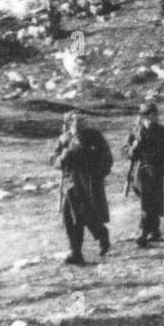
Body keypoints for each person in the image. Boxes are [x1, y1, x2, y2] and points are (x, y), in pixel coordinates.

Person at [52, 112, 113, 266]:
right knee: (70, 219)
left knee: (89, 216)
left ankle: (102, 235)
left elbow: (107, 159)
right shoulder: (64, 139)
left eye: (80, 122)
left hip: (89, 184)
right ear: (67, 125)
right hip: (71, 184)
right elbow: (53, 160)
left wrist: (96, 172)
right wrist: (62, 159)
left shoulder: (94, 137)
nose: (77, 125)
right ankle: (76, 252)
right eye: (73, 123)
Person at [124, 102, 164, 246]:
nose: (154, 118)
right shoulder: (136, 132)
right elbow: (126, 152)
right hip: (139, 172)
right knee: (148, 201)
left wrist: (163, 169)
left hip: (155, 171)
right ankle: (154, 229)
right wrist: (135, 146)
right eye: (149, 116)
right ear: (144, 117)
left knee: (148, 202)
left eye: (155, 115)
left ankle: (143, 232)